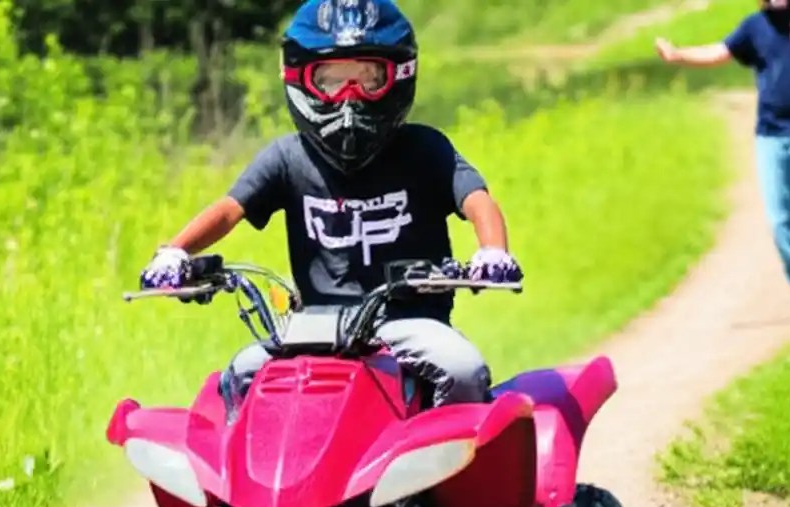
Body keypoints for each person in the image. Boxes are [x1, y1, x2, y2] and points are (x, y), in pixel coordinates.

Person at [138, 0, 521, 412]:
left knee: (462, 368)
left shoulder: (425, 149)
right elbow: (230, 209)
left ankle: (457, 469)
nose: (350, 98)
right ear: (301, 81)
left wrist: (492, 251)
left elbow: (477, 200)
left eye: (369, 79)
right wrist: (175, 252)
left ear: (401, 77)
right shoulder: (287, 157)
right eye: (332, 80)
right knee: (240, 375)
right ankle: (249, 477)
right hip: (315, 330)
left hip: (410, 323)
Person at [655, 0, 790, 324]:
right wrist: (679, 55)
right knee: (780, 221)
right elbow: (721, 51)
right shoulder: (755, 26)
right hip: (771, 136)